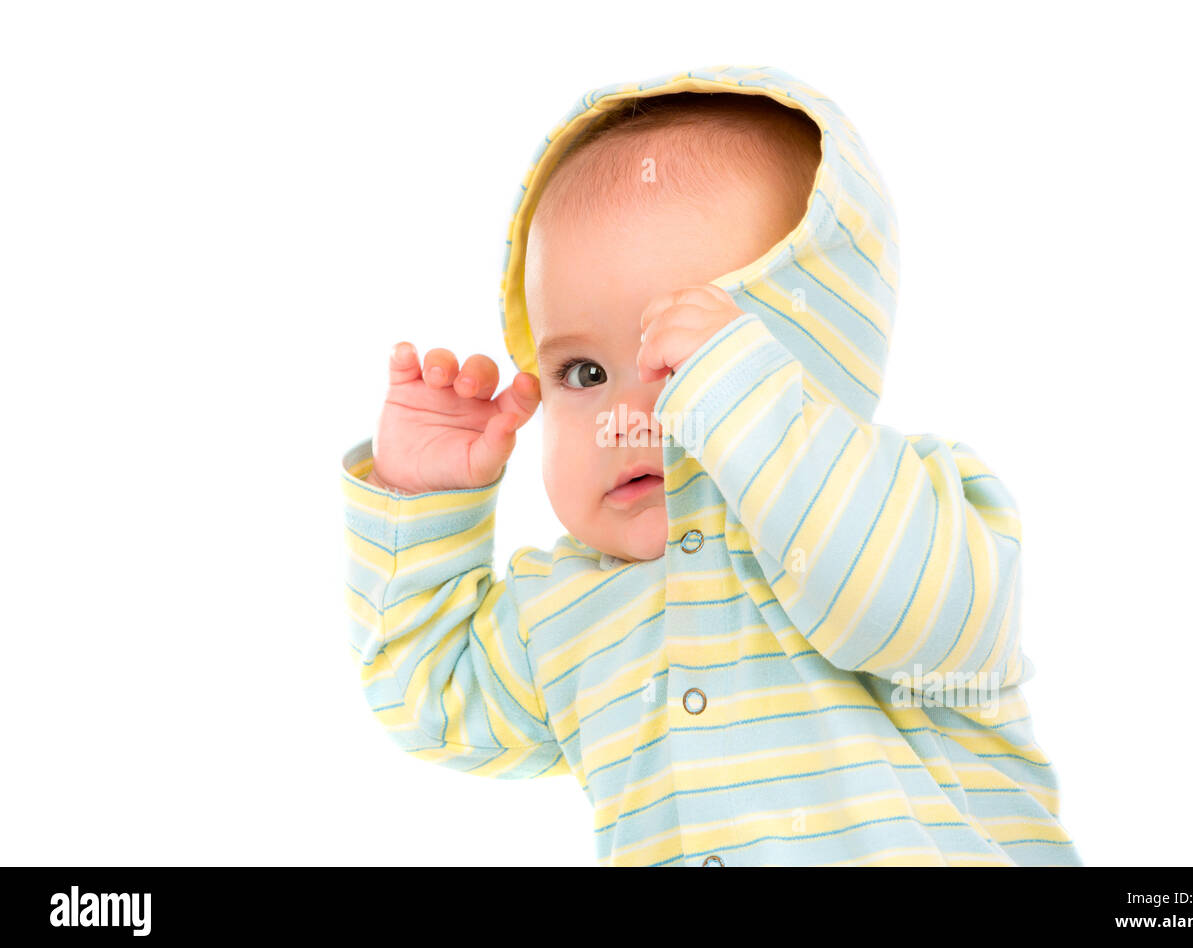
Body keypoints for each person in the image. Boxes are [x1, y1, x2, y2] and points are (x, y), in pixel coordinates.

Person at [340, 64, 1083, 866]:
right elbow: (432, 701)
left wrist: (751, 415)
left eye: (687, 361)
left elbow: (898, 605)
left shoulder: (914, 505)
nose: (628, 420)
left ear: (820, 354)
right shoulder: (564, 611)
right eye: (584, 374)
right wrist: (425, 498)